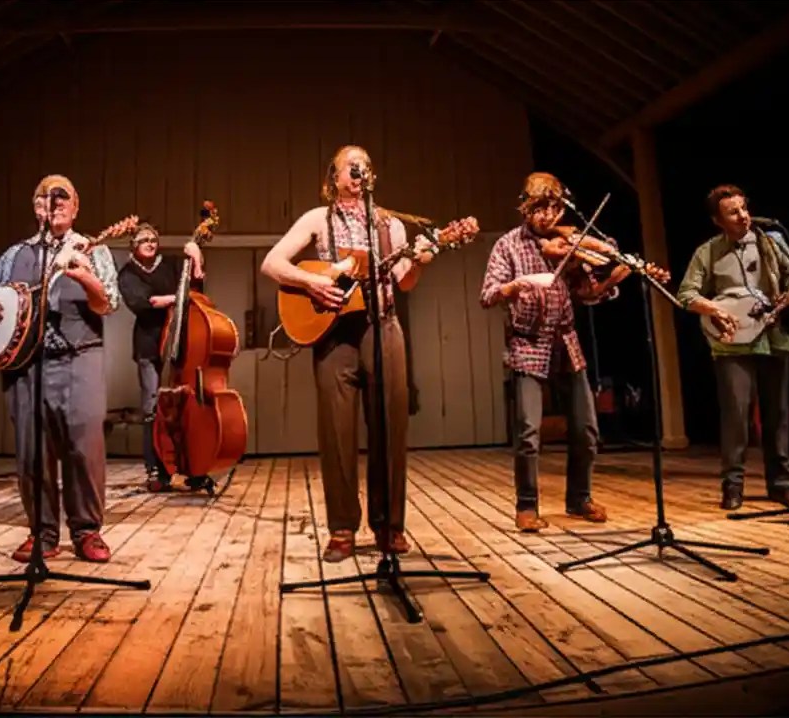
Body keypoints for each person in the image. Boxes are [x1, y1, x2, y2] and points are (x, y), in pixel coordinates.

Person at [260, 145, 448, 562]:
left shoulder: (391, 225)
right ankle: (342, 528)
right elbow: (273, 263)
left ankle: (390, 526)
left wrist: (420, 261)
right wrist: (311, 283)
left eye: (364, 166)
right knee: (336, 431)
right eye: (350, 165)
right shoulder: (316, 219)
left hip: (383, 327)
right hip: (334, 332)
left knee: (390, 427)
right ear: (334, 176)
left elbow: (405, 282)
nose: (358, 171)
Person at [0, 175, 122, 563]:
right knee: (32, 451)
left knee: (84, 448)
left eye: (64, 196)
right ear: (37, 208)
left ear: (76, 207)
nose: (56, 203)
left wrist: (82, 273)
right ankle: (42, 532)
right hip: (26, 364)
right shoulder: (16, 254)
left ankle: (87, 531)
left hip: (79, 355)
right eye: (49, 198)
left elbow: (108, 304)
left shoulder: (92, 249)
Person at [479, 172, 638, 532]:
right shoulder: (508, 245)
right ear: (526, 209)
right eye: (541, 208)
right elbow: (487, 294)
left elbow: (585, 292)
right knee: (528, 431)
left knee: (586, 427)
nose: (549, 216)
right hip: (528, 341)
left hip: (565, 340)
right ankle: (527, 505)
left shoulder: (568, 243)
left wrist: (608, 282)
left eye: (555, 208)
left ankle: (579, 498)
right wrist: (516, 286)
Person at [677, 184, 789, 511]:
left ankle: (781, 484)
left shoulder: (769, 243)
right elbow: (686, 294)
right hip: (732, 345)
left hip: (772, 337)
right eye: (733, 212)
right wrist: (715, 310)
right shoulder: (707, 252)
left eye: (744, 208)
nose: (743, 216)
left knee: (777, 415)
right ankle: (732, 486)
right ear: (717, 220)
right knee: (736, 416)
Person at [115, 221, 209, 492]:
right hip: (149, 345)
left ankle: (193, 466)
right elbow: (145, 303)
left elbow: (197, 288)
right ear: (134, 244)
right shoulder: (128, 274)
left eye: (153, 240)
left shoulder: (169, 265)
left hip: (178, 341)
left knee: (186, 406)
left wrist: (197, 258)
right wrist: (179, 297)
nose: (150, 243)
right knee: (152, 406)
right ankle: (156, 469)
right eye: (144, 240)